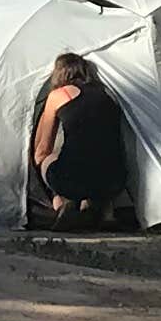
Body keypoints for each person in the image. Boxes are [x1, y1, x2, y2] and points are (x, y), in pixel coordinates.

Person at [30, 51, 136, 231]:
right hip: (115, 180)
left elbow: (43, 148)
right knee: (99, 155)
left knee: (47, 157)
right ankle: (101, 209)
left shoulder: (59, 94)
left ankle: (63, 202)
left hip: (72, 179)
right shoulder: (108, 94)